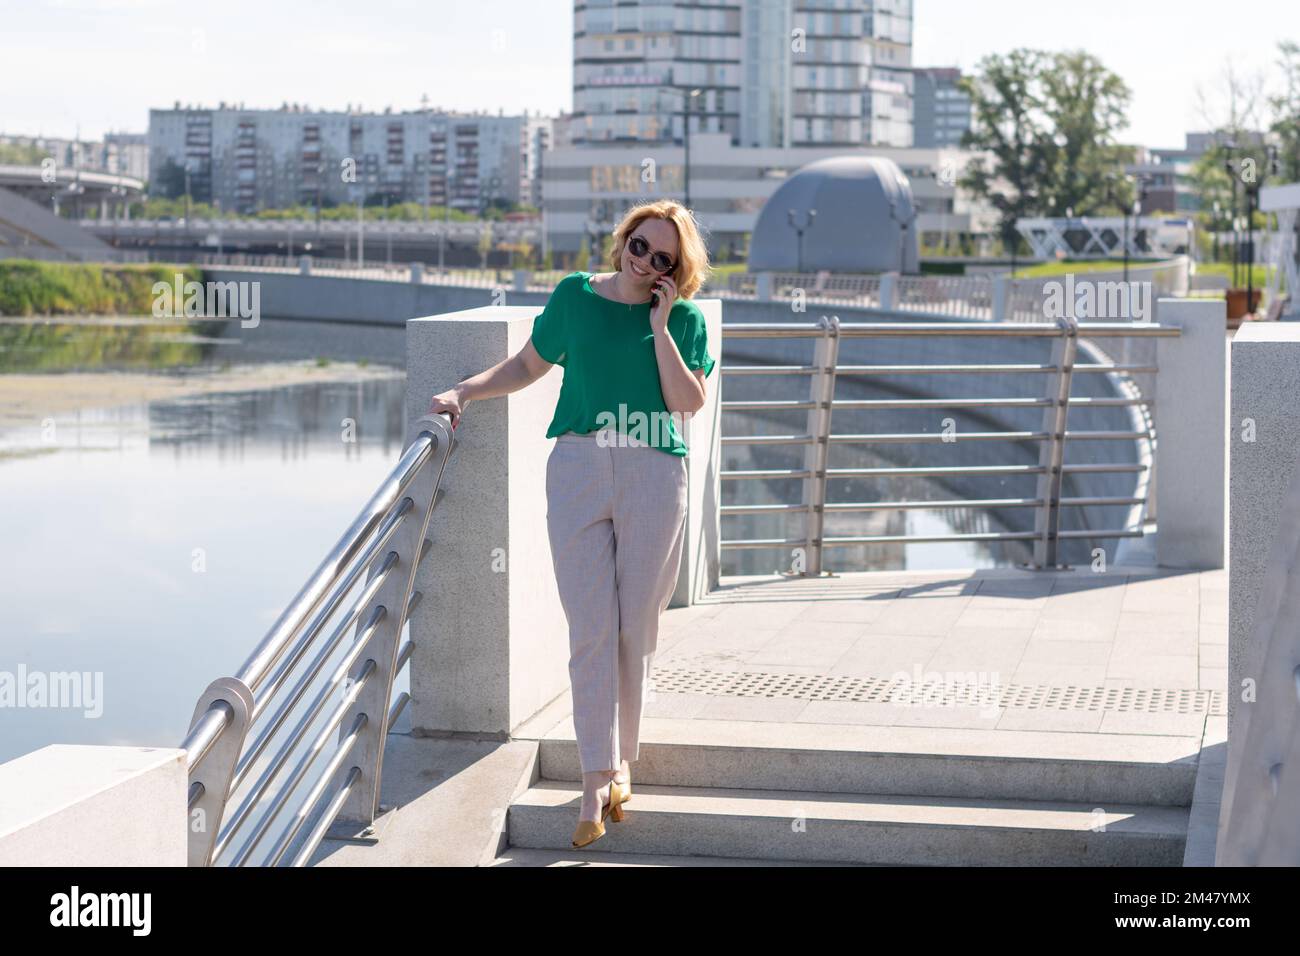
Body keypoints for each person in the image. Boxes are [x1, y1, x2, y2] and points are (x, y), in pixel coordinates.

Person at [427, 198, 716, 848]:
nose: (645, 261)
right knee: (590, 629)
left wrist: (662, 326)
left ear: (675, 270)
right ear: (623, 241)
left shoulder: (684, 318)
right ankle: (595, 781)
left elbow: (686, 404)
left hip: (653, 470)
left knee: (633, 630)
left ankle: (622, 768)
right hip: (581, 467)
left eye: (662, 258)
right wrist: (465, 392)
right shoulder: (573, 298)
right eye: (639, 245)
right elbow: (529, 365)